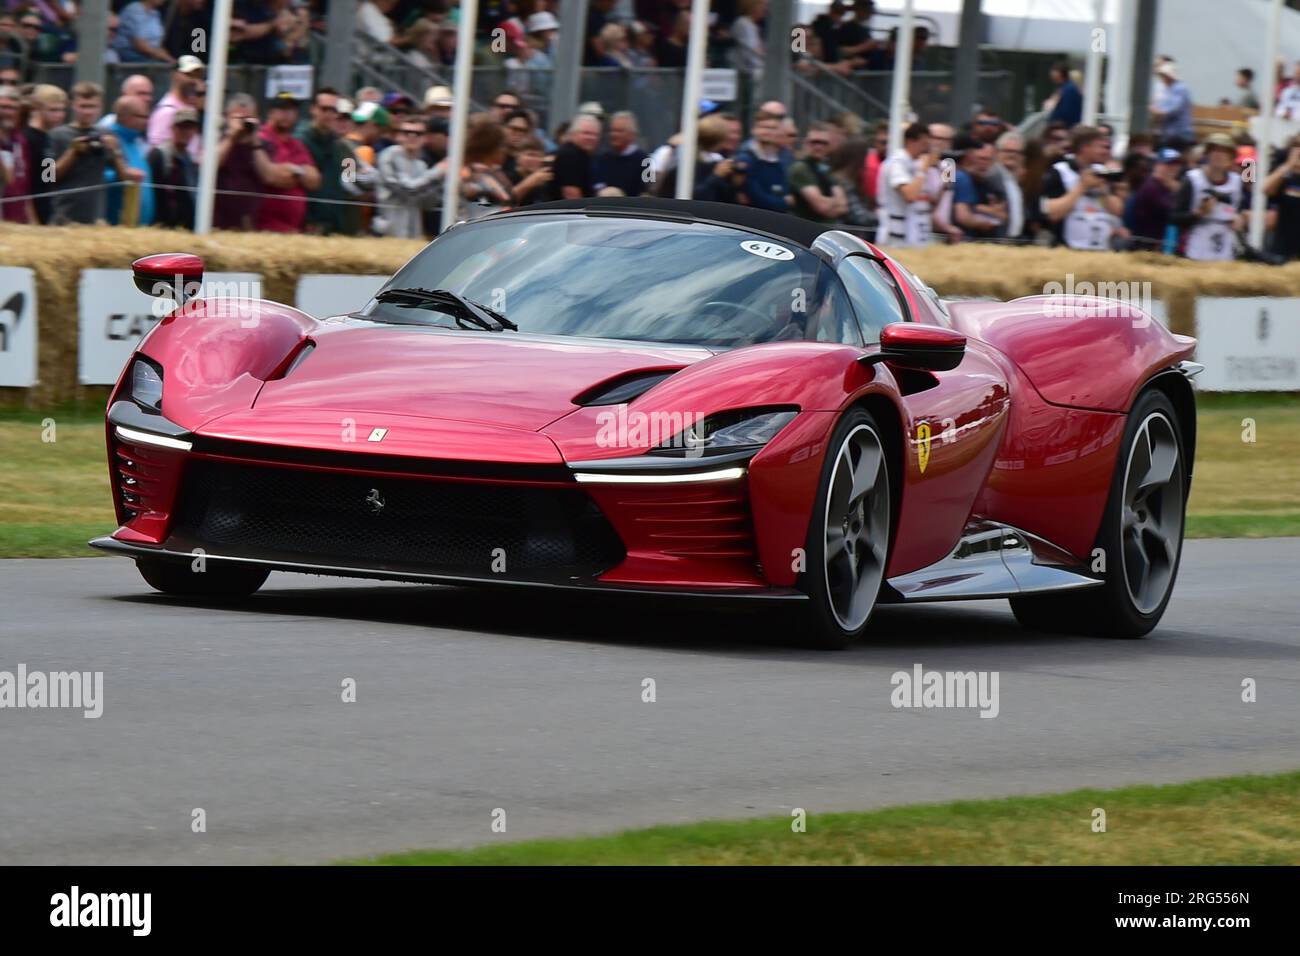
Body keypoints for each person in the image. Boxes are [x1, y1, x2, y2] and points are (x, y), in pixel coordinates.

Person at [48, 82, 134, 224]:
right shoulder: (55, 135)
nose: (88, 112)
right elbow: (47, 176)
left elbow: (126, 177)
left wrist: (115, 151)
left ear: (100, 107)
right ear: (73, 105)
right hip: (62, 216)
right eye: (83, 106)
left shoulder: (107, 134)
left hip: (95, 217)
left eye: (92, 106)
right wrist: (72, 152)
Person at [1041, 125, 1125, 250]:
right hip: (1067, 253)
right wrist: (1081, 187)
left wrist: (1104, 192)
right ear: (1085, 147)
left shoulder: (1103, 172)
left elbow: (1118, 211)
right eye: (1099, 146)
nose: (1105, 151)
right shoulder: (1059, 171)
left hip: (1100, 253)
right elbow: (1051, 213)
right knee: (1070, 271)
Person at [254, 92, 321, 233]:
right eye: (282, 109)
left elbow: (315, 180)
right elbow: (273, 177)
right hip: (266, 226)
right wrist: (301, 174)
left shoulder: (297, 144)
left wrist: (294, 171)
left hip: (296, 226)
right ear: (271, 112)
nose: (287, 114)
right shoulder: (261, 138)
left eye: (291, 110)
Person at [1172, 133, 1244, 261]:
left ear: (1231, 158)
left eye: (1224, 151)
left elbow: (1239, 211)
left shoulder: (1237, 182)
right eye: (1214, 150)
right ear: (1207, 154)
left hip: (1225, 252)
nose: (1219, 155)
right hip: (1195, 251)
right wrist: (1198, 214)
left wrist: (1239, 219)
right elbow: (1174, 217)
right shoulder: (1192, 180)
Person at [376, 117, 443, 237]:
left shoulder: (421, 165)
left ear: (425, 139)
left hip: (412, 233)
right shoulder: (389, 155)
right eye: (406, 133)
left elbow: (429, 204)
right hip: (388, 233)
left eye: (418, 133)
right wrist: (437, 172)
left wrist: (441, 179)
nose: (412, 136)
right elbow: (404, 190)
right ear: (398, 136)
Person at [301, 87, 355, 235]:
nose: (329, 114)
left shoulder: (341, 145)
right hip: (309, 223)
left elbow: (350, 179)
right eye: (324, 109)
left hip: (335, 223)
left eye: (333, 110)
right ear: (313, 109)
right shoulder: (301, 141)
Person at [874, 121, 933, 247]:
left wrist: (947, 179)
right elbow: (910, 195)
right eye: (924, 144)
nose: (926, 149)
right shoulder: (897, 163)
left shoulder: (915, 163)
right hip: (895, 233)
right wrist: (922, 172)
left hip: (914, 231)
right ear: (911, 141)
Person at [104, 94, 154, 226]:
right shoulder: (108, 140)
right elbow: (49, 178)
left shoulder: (137, 142)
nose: (147, 121)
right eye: (143, 116)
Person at [146, 107, 199, 228]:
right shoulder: (159, 155)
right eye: (181, 127)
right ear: (173, 128)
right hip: (163, 227)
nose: (185, 132)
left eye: (189, 127)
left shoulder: (190, 159)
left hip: (185, 228)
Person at [147, 54, 205, 163]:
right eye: (188, 75)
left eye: (197, 76)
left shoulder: (196, 107)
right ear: (174, 75)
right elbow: (156, 153)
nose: (193, 80)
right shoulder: (166, 111)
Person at [789, 122, 847, 224]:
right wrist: (835, 202)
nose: (818, 147)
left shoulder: (825, 168)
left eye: (823, 143)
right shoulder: (801, 168)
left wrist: (830, 202)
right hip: (807, 228)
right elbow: (822, 207)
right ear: (806, 143)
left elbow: (843, 206)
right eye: (814, 142)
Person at [735, 110, 791, 212]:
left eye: (773, 128)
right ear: (754, 130)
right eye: (762, 127)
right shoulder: (746, 159)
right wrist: (784, 202)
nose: (767, 131)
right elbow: (755, 197)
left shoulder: (782, 158)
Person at [952, 140, 1007, 241]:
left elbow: (1003, 215)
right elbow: (963, 216)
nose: (983, 164)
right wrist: (985, 217)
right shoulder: (962, 178)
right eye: (980, 158)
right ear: (969, 158)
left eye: (988, 160)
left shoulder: (991, 184)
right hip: (961, 241)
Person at [1129, 148, 1183, 249]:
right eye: (1168, 164)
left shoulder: (1163, 186)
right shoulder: (1151, 188)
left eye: (1176, 165)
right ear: (1157, 165)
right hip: (1145, 247)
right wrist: (1178, 192)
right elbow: (1173, 213)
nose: (1173, 168)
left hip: (1155, 245)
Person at [593, 111, 649, 196]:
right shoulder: (602, 158)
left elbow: (646, 191)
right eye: (612, 131)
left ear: (631, 134)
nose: (614, 134)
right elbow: (597, 185)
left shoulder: (645, 160)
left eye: (619, 131)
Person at [1262, 135, 1300, 260]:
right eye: (1297, 146)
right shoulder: (1285, 176)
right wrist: (1289, 165)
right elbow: (1266, 189)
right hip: (1282, 250)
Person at [552, 112, 601, 200]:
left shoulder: (584, 155)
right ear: (573, 134)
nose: (591, 138)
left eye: (595, 134)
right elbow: (571, 196)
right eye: (586, 133)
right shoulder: (570, 155)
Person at [114, 0, 175, 64]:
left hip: (149, 56)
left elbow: (156, 42)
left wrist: (166, 56)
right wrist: (167, 58)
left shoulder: (155, 13)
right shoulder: (134, 9)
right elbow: (139, 44)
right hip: (130, 56)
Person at [1150, 60, 1194, 148]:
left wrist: (1155, 111)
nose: (1162, 78)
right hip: (1170, 134)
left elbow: (1173, 110)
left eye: (1163, 75)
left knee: (1173, 158)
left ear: (1168, 76)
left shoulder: (1179, 88)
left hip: (1179, 134)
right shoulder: (1169, 90)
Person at [993, 131, 1025, 240]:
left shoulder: (1014, 178)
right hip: (995, 240)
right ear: (997, 152)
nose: (1012, 155)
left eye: (1017, 152)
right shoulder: (992, 175)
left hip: (1013, 240)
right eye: (1008, 151)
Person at [731, 0, 767, 80]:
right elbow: (750, 54)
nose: (765, 9)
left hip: (755, 69)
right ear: (753, 6)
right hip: (746, 71)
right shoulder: (742, 23)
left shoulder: (753, 25)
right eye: (763, 6)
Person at [1045, 61, 1082, 126]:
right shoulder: (1064, 88)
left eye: (1053, 71)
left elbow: (1065, 111)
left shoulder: (1069, 89)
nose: (1050, 74)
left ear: (1059, 73)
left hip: (1066, 128)